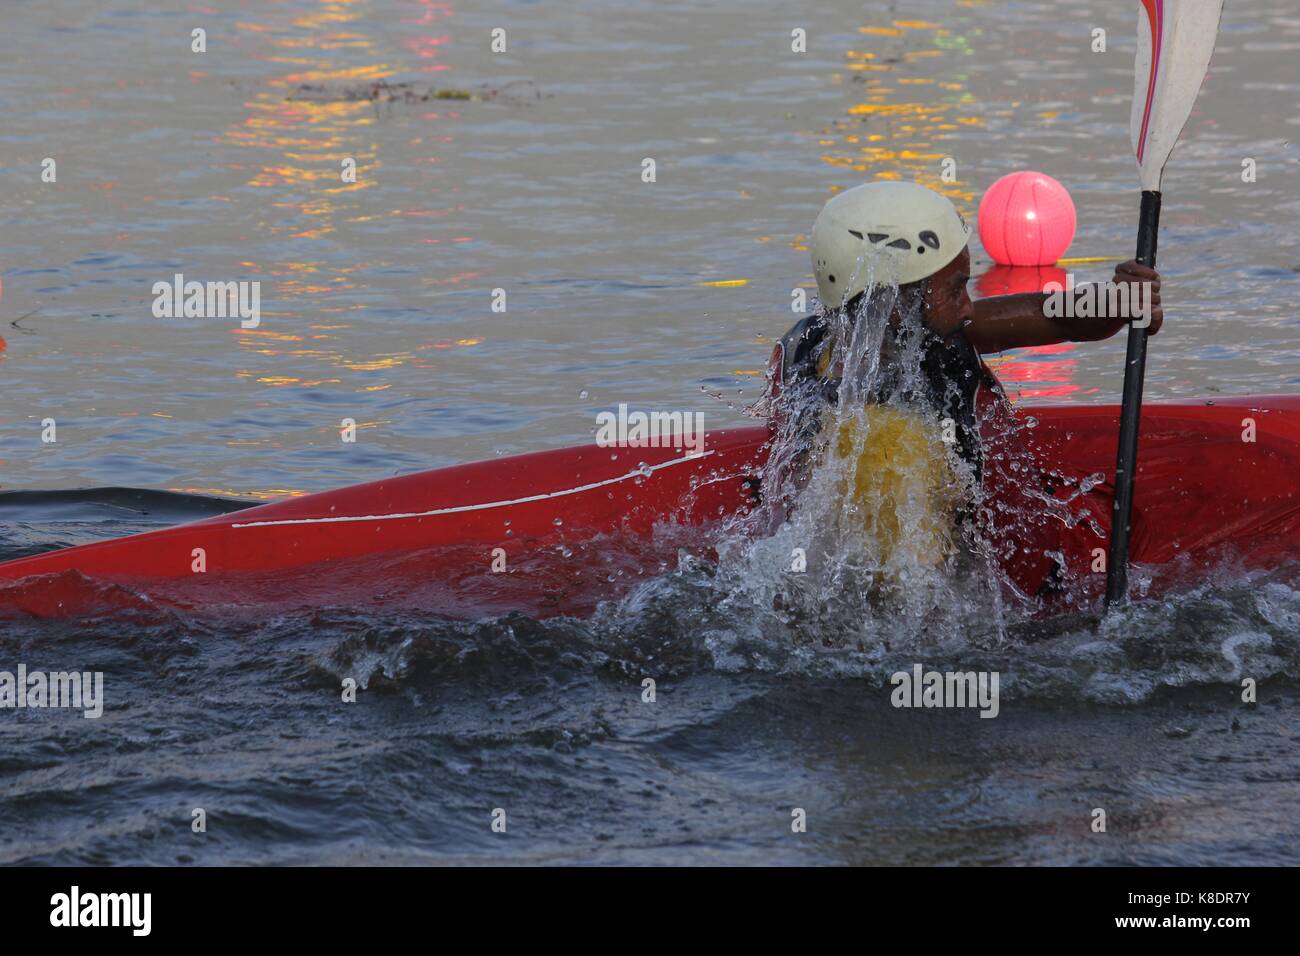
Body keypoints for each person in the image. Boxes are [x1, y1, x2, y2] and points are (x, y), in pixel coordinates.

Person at [762, 180, 1162, 598]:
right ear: (895, 300)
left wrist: (1114, 302)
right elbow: (919, 600)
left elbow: (1052, 315)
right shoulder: (897, 454)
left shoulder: (807, 350)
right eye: (956, 288)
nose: (968, 306)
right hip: (1016, 603)